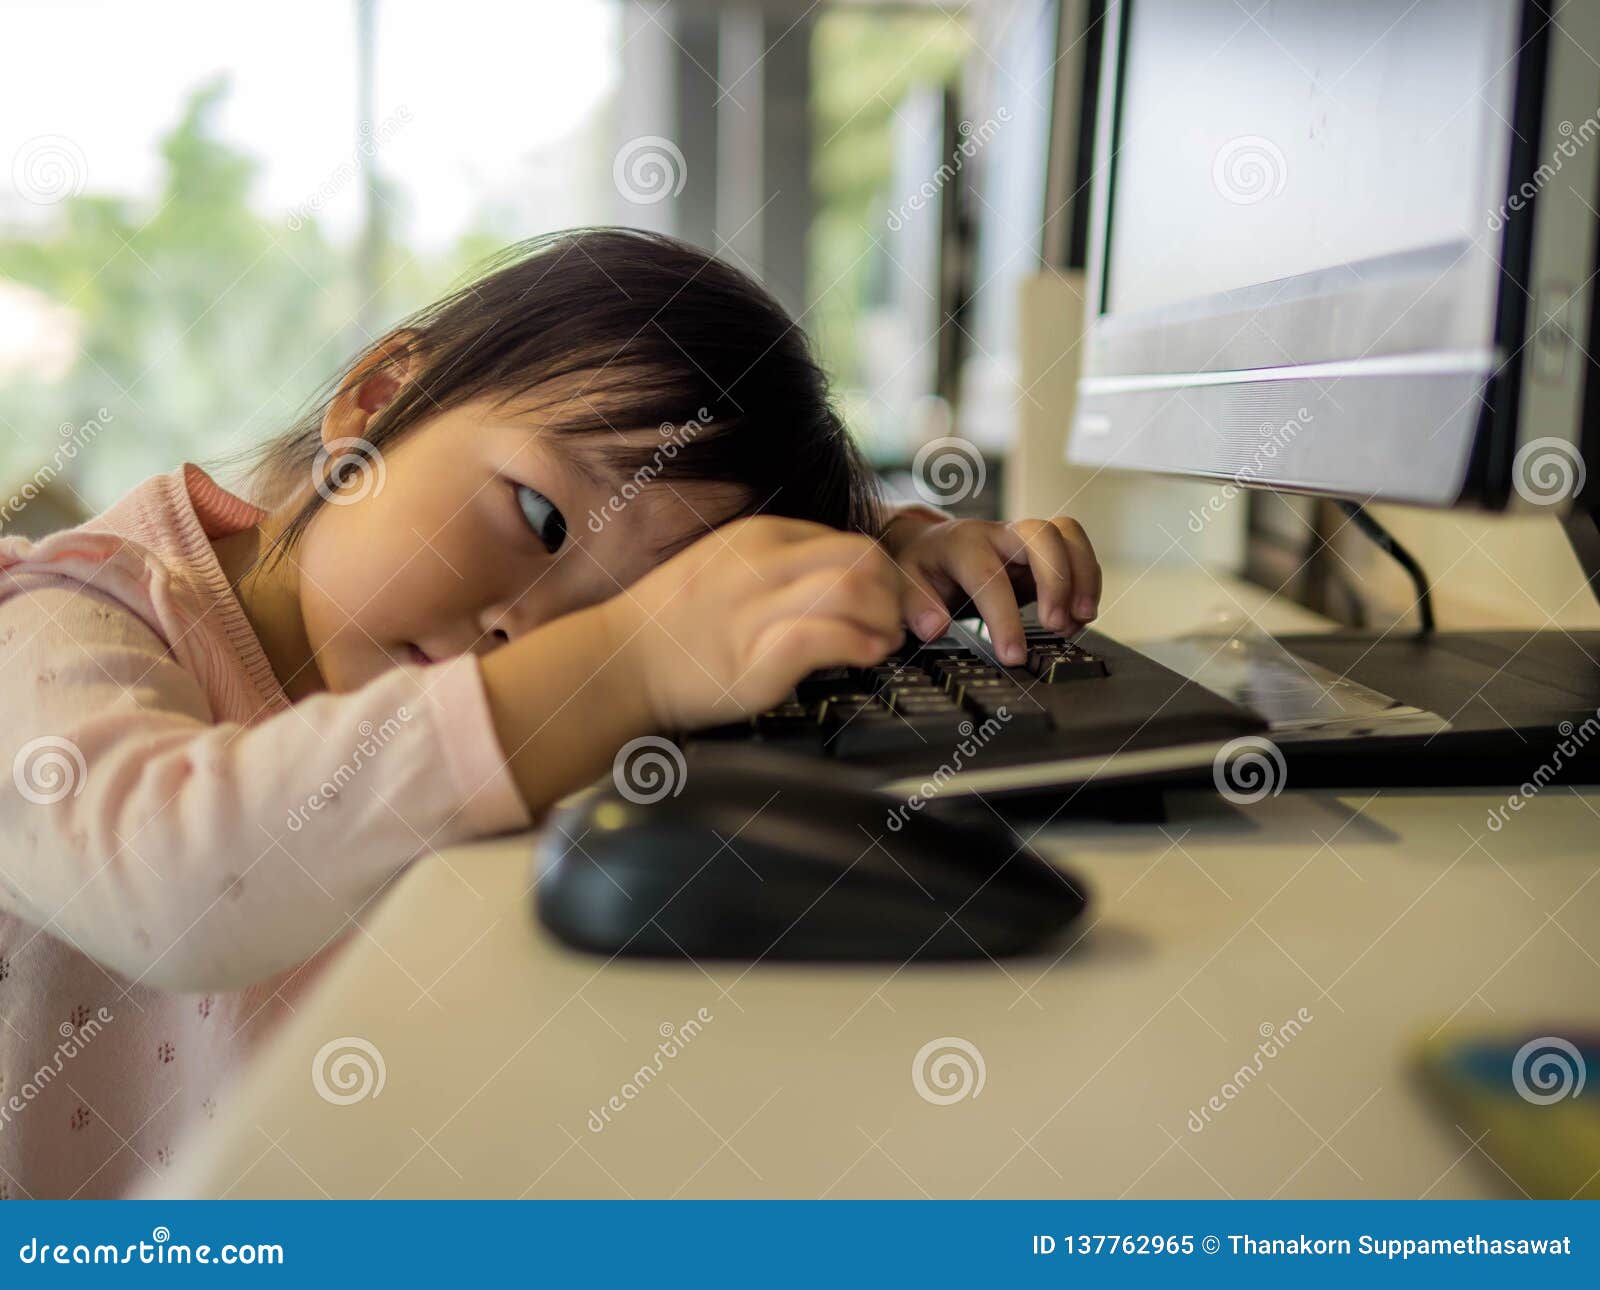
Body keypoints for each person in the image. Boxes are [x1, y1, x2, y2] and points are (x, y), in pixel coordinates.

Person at [0, 227, 1099, 1198]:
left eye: (623, 604)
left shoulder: (435, 660)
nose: (533, 637)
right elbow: (173, 878)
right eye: (539, 516)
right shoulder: (68, 612)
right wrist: (631, 654)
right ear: (376, 401)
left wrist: (880, 572)